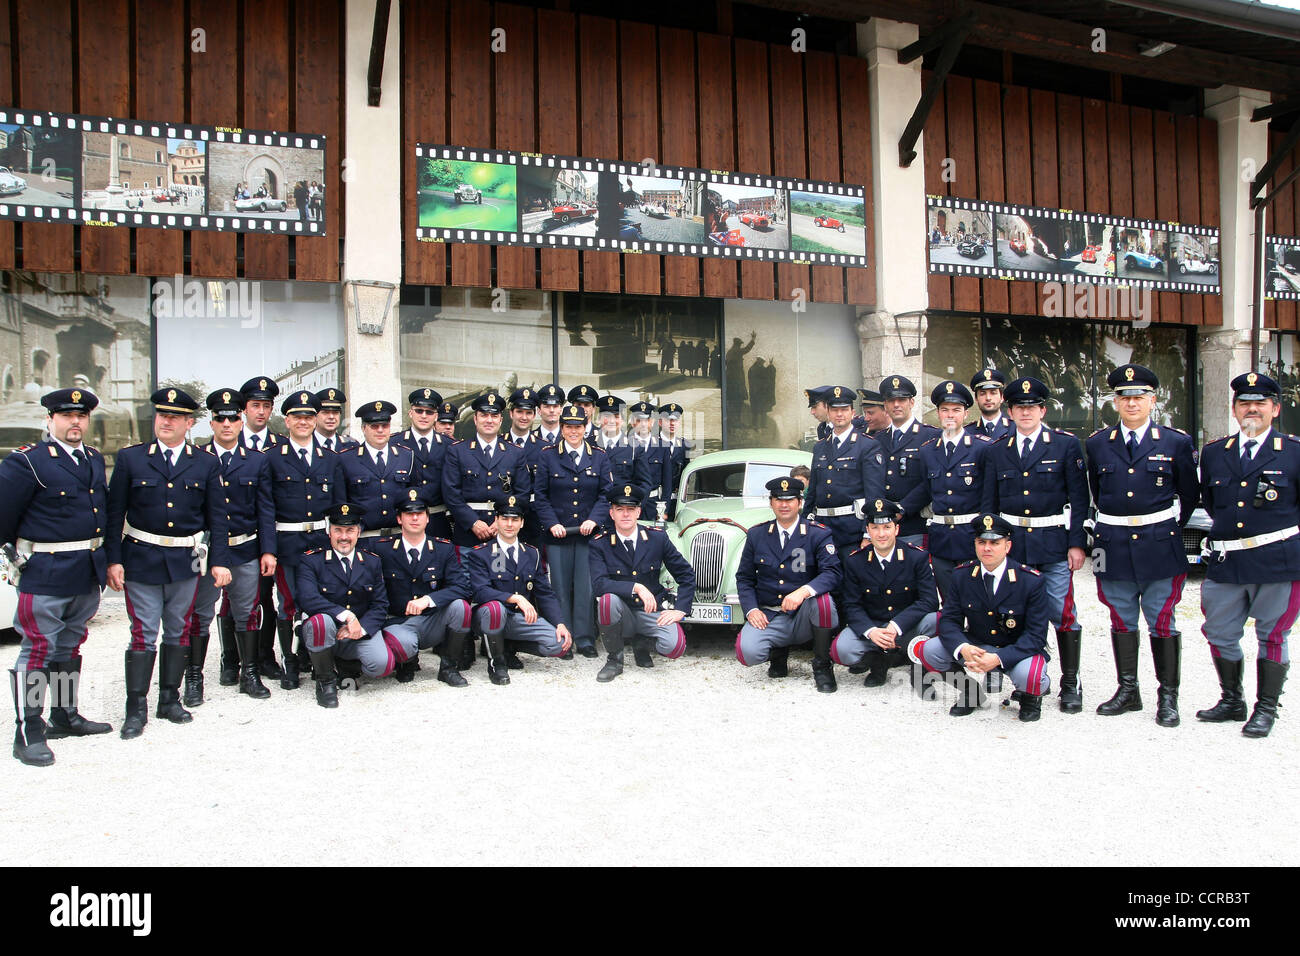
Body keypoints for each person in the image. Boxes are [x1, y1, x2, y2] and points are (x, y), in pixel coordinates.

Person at [105, 387, 232, 739]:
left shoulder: (205, 463)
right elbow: (114, 515)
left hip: (186, 560)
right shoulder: (131, 459)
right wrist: (112, 560)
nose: (167, 421)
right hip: (141, 558)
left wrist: (219, 561)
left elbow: (217, 519)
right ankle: (136, 708)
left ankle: (169, 699)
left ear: (189, 423)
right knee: (143, 632)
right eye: (162, 415)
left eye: (175, 417)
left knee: (178, 630)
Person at [1, 388, 113, 766]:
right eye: (67, 416)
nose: (75, 422)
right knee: (37, 649)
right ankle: (29, 729)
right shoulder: (28, 462)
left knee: (68, 648)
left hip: (85, 569)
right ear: (50, 419)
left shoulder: (93, 460)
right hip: (45, 571)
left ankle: (64, 716)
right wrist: (14, 560)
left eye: (81, 416)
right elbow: (4, 518)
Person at [1087, 364, 1198, 724]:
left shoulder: (1175, 442)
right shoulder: (1097, 443)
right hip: (1112, 543)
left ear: (1153, 400)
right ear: (1115, 402)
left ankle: (1168, 696)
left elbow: (1189, 496)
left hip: (1158, 543)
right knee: (1120, 618)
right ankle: (1128, 690)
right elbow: (1096, 492)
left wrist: (1162, 526)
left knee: (1162, 620)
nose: (1131, 402)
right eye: (1124, 397)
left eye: (1139, 397)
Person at [1196, 371, 1298, 738]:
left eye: (1260, 403)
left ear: (1275, 408)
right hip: (1227, 562)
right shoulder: (1214, 453)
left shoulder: (1294, 452)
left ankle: (1266, 708)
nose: (1251, 409)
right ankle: (1232, 700)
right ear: (1234, 409)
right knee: (1219, 632)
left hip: (1278, 562)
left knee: (1272, 635)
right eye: (1244, 403)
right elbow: (1211, 503)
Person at [987, 376, 1089, 711]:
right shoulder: (997, 449)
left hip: (1053, 544)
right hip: (1014, 546)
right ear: (1010, 411)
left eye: (1032, 407)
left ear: (1043, 410)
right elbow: (990, 503)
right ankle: (1029, 680)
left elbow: (1079, 498)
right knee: (1017, 613)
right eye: (1019, 407)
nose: (1026, 412)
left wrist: (1077, 544)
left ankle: (1070, 683)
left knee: (1061, 611)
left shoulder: (1065, 445)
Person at [185, 388, 277, 705]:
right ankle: (194, 678)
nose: (227, 424)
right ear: (211, 423)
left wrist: (268, 550)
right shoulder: (195, 459)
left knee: (247, 611)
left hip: (244, 547)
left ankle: (248, 673)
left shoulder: (256, 461)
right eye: (220, 418)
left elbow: (265, 509)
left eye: (232, 418)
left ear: (241, 422)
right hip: (206, 551)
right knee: (198, 614)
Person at [911, 513, 1052, 721]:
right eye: (981, 542)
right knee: (929, 651)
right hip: (977, 644)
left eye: (995, 542)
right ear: (975, 544)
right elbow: (949, 620)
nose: (987, 548)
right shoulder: (962, 575)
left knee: (1030, 677)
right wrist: (963, 648)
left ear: (1008, 546)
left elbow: (1036, 636)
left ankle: (1030, 697)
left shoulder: (1031, 581)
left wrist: (998, 658)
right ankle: (971, 692)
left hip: (1016, 649)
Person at [295, 504, 418, 708]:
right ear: (329, 532)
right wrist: (347, 617)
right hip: (329, 629)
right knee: (320, 622)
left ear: (358, 532)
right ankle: (325, 680)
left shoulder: (371, 562)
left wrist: (360, 629)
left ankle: (345, 663)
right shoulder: (311, 560)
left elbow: (380, 605)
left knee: (381, 666)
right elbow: (308, 599)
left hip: (357, 631)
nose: (344, 537)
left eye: (350, 530)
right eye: (338, 530)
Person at [265, 390, 344, 688]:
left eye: (309, 416)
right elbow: (266, 509)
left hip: (322, 545)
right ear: (287, 420)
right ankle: (289, 660)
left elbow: (340, 508)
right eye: (297, 417)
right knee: (288, 603)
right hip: (288, 544)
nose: (303, 422)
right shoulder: (272, 458)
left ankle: (319, 657)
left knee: (324, 600)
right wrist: (269, 550)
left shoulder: (330, 459)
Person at [735, 476, 842, 692]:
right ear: (771, 502)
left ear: (800, 502)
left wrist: (803, 592)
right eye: (778, 499)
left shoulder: (817, 533)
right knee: (747, 653)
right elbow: (744, 578)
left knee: (823, 601)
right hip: (770, 614)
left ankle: (822, 666)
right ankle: (778, 653)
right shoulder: (757, 534)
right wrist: (752, 609)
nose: (784, 505)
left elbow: (832, 573)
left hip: (803, 614)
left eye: (790, 499)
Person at [588, 483, 695, 681]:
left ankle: (642, 643)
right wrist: (635, 587)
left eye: (630, 509)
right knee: (607, 601)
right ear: (611, 513)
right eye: (620, 509)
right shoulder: (599, 543)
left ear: (639, 511)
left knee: (675, 647)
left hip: (651, 611)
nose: (625, 514)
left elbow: (686, 574)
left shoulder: (657, 538)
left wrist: (681, 608)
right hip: (622, 612)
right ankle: (614, 659)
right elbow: (599, 584)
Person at [533, 403, 614, 658]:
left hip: (588, 535)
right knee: (559, 587)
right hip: (558, 534)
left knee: (585, 587)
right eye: (568, 426)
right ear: (562, 427)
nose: (573, 431)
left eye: (578, 427)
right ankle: (564, 638)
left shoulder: (599, 456)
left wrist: (595, 520)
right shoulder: (547, 455)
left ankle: (585, 638)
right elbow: (540, 495)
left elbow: (606, 494)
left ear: (585, 427)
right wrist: (551, 523)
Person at [832, 499, 939, 688]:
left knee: (935, 620)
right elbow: (851, 605)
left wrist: (896, 626)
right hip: (874, 628)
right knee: (842, 650)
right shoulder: (855, 562)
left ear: (896, 529)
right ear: (868, 530)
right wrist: (871, 631)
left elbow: (929, 601)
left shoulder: (916, 557)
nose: (881, 534)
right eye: (875, 528)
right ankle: (878, 662)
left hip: (906, 628)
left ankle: (919, 665)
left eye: (887, 527)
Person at [467, 495, 573, 684]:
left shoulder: (531, 553)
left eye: (515, 519)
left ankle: (508, 646)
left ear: (522, 523)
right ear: (496, 521)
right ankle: (496, 663)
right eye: (504, 519)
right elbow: (480, 591)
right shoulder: (482, 552)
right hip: (489, 615)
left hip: (517, 619)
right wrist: (514, 598)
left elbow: (544, 592)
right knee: (495, 609)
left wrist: (559, 623)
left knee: (560, 645)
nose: (509, 524)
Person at [903, 381, 996, 598]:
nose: (950, 415)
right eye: (945, 410)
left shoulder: (982, 447)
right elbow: (926, 489)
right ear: (938, 413)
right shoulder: (928, 451)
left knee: (977, 597)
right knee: (949, 598)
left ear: (965, 413)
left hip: (972, 535)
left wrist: (987, 534)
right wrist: (899, 509)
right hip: (941, 536)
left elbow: (989, 494)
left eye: (956, 410)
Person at [375, 489, 472, 687]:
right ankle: (407, 663)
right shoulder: (381, 550)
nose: (415, 518)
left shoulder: (443, 549)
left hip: (431, 620)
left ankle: (448, 668)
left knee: (461, 607)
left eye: (419, 514)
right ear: (399, 519)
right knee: (404, 646)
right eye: (409, 514)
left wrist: (428, 600)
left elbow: (462, 586)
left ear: (427, 518)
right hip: (398, 622)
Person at [440, 390, 533, 550]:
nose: (489, 420)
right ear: (475, 419)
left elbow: (523, 493)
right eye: (484, 415)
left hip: (503, 534)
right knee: (467, 574)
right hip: (468, 534)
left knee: (500, 573)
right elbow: (451, 493)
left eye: (494, 416)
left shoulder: (515, 452)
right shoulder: (457, 451)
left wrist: (501, 522)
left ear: (501, 419)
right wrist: (473, 522)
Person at [238, 376, 284, 679]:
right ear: (244, 409)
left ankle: (266, 657)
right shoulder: (229, 442)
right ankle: (235, 659)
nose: (261, 412)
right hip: (241, 536)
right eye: (255, 405)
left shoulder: (279, 445)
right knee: (239, 601)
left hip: (274, 536)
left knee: (269, 600)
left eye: (266, 406)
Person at [803, 385, 884, 553]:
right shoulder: (820, 447)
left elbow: (874, 494)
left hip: (851, 531)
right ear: (828, 412)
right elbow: (813, 491)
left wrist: (868, 533)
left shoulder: (867, 445)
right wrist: (804, 523)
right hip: (822, 528)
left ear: (852, 413)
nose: (839, 414)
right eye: (834, 410)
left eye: (844, 409)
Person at [337, 400, 417, 541]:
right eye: (374, 426)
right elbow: (341, 501)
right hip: (364, 540)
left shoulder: (406, 456)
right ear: (363, 428)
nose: (380, 430)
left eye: (384, 425)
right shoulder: (347, 459)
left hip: (399, 538)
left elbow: (413, 497)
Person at [877, 375, 941, 546]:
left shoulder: (931, 436)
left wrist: (902, 509)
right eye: (891, 400)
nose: (896, 405)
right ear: (885, 405)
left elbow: (931, 480)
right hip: (881, 525)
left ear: (912, 402)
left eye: (902, 400)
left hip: (914, 524)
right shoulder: (876, 440)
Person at [389, 387, 452, 539]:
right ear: (410, 412)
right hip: (405, 524)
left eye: (429, 412)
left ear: (436, 416)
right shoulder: (393, 443)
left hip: (439, 522)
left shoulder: (449, 445)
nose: (424, 416)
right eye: (419, 411)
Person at [656, 403, 690, 519]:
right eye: (668, 420)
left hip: (676, 501)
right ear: (660, 422)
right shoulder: (651, 444)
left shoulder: (684, 445)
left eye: (675, 420)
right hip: (656, 500)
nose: (672, 423)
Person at [595, 394, 634, 483]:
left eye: (616, 417)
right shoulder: (588, 443)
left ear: (622, 420)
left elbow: (642, 482)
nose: (611, 421)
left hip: (623, 496)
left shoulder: (634, 446)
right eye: (607, 416)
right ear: (599, 419)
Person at [966, 369, 1012, 440]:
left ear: (1002, 397)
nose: (988, 398)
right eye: (982, 393)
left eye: (993, 393)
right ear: (976, 399)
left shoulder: (1015, 428)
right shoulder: (967, 432)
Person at [313, 387, 357, 453]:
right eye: (325, 412)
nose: (331, 417)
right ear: (315, 416)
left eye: (335, 412)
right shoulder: (306, 444)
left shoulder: (351, 444)